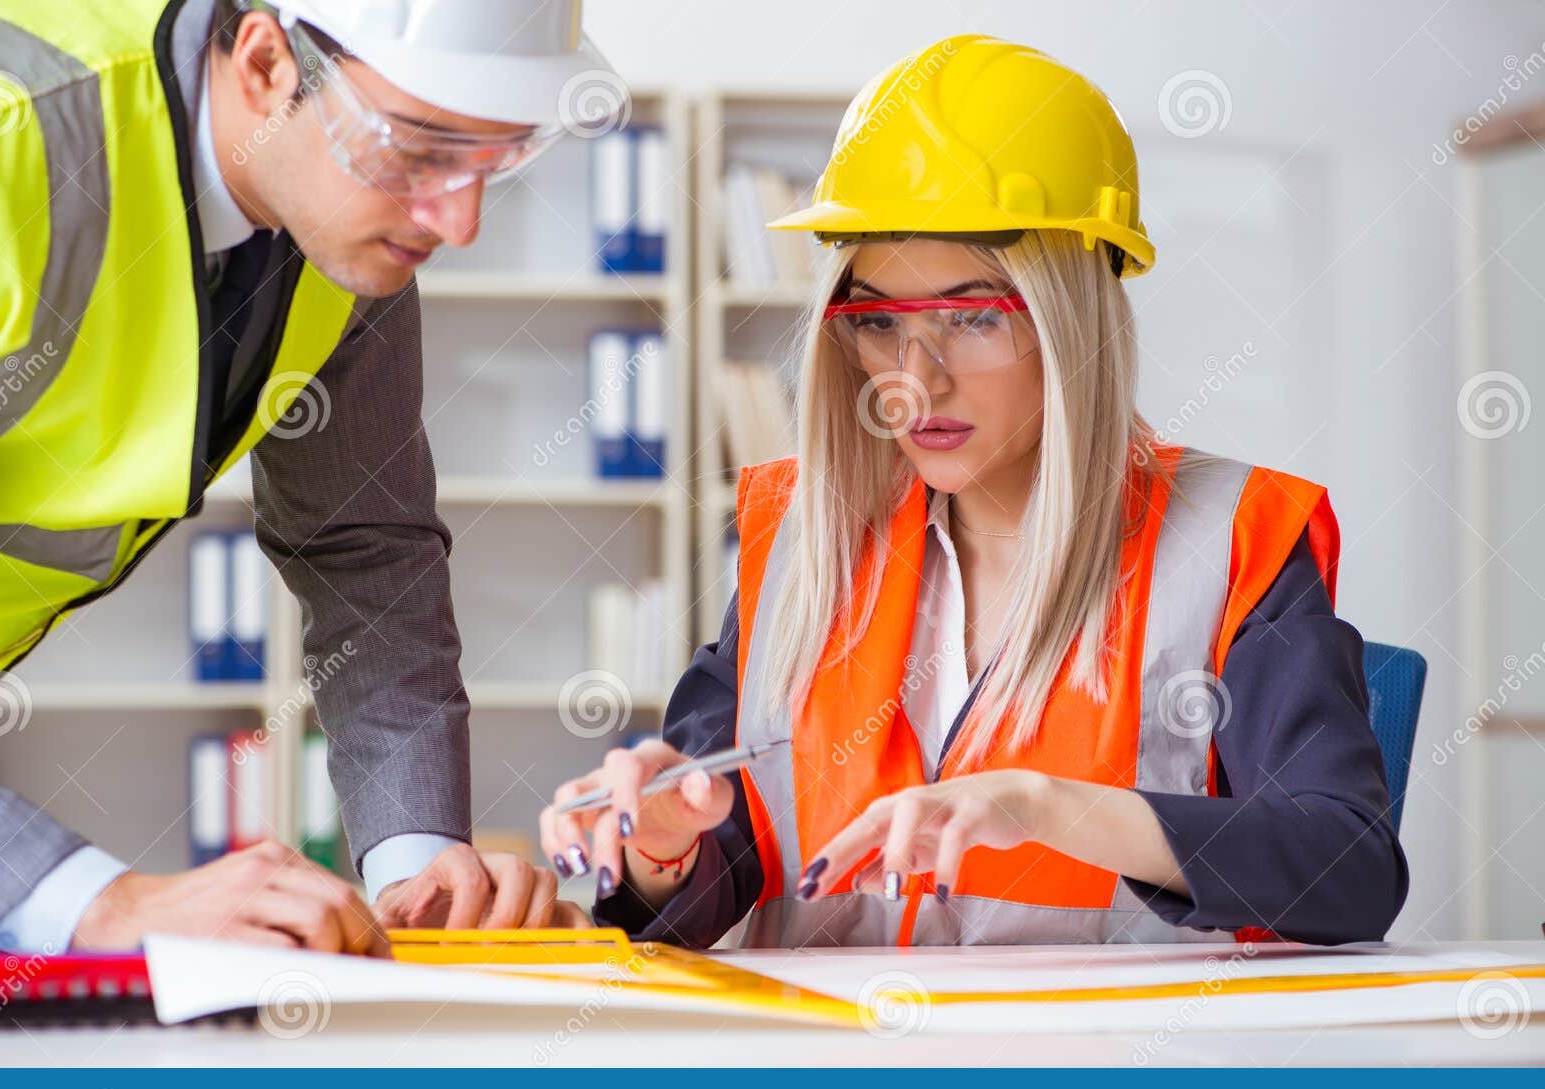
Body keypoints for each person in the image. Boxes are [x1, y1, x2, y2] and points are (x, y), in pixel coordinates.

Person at [540, 36, 1409, 948]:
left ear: (1074, 319)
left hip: (1108, 1075)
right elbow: (721, 860)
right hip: (837, 1067)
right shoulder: (801, 541)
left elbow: (1347, 869)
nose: (913, 380)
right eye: (876, 322)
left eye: (975, 316)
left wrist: (1046, 805)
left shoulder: (1237, 538)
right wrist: (662, 852)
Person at [0, 0, 610, 955]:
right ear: (263, 64)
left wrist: (415, 870)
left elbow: (366, 557)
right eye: (421, 150)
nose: (457, 221)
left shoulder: (344, 234)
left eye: (493, 162)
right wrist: (105, 904)